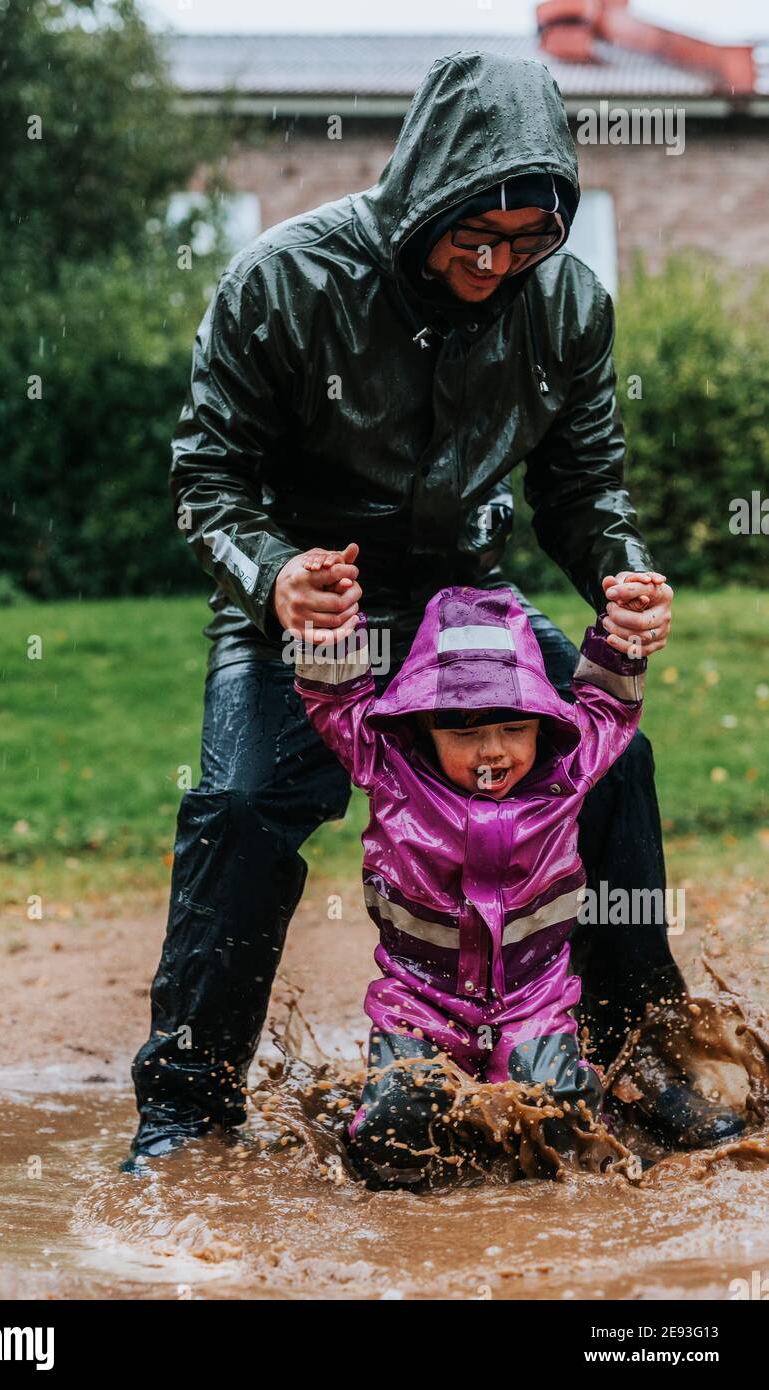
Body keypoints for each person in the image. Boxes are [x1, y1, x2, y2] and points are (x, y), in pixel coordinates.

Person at [121, 51, 739, 1171]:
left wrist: (620, 572)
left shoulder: (566, 304)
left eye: (527, 239)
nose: (496, 263)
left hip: (468, 609)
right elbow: (206, 478)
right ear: (427, 192)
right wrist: (275, 574)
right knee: (246, 798)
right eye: (476, 235)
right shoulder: (283, 279)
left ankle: (634, 1055)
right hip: (314, 603)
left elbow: (583, 488)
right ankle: (187, 1100)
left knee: (612, 766)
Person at [292, 579, 648, 1186]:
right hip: (420, 1002)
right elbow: (337, 705)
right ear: (423, 728)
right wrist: (329, 634)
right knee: (398, 1128)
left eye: (515, 728)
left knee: (557, 1120)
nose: (493, 752)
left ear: (543, 723)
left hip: (534, 999)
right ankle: (372, 1151)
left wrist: (624, 638)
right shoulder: (389, 767)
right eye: (463, 733)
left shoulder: (569, 769)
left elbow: (609, 705)